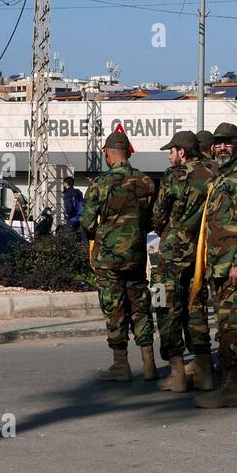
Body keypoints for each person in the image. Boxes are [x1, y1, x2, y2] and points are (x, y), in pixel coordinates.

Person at [192, 122, 237, 409]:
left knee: (230, 331)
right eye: (218, 143)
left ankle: (230, 389)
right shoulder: (221, 179)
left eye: (228, 143)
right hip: (220, 268)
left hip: (235, 268)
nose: (222, 147)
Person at [81, 131, 158, 382]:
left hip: (108, 258)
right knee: (140, 307)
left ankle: (120, 365)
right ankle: (149, 363)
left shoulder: (100, 184)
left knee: (115, 309)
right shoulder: (146, 181)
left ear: (106, 152)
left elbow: (88, 223)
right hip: (136, 255)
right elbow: (154, 220)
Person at [151, 131, 216, 393]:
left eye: (172, 151)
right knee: (196, 306)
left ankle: (177, 373)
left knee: (164, 305)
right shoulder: (214, 174)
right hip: (202, 252)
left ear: (183, 152)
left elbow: (158, 215)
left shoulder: (173, 176)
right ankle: (204, 371)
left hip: (172, 253)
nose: (169, 156)